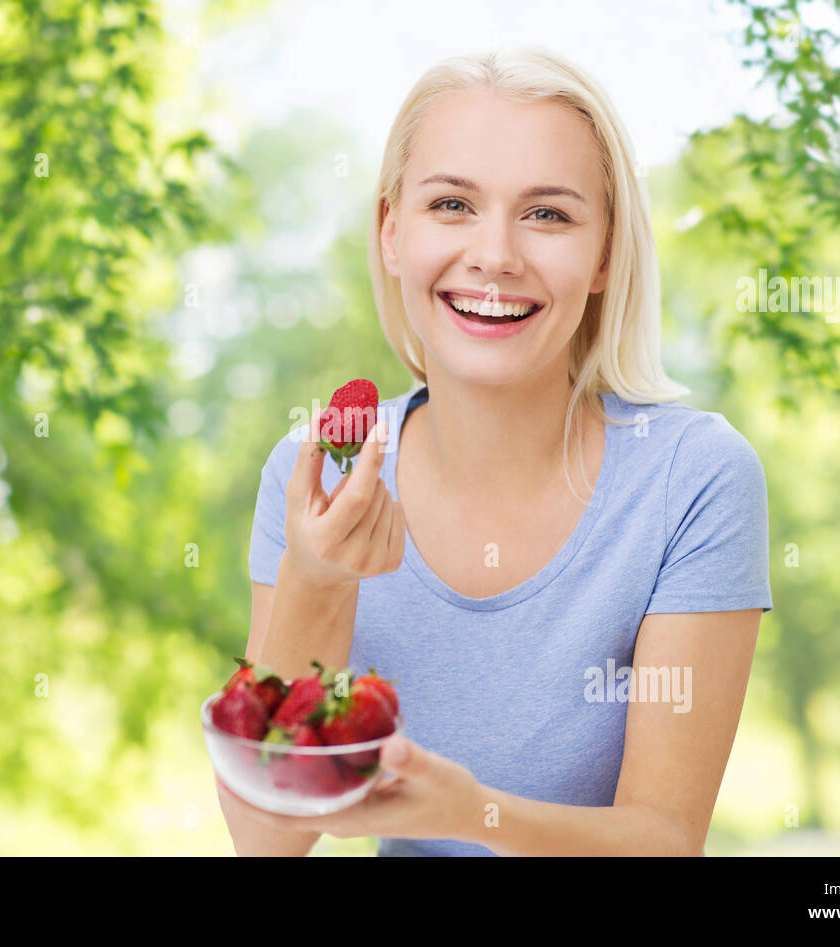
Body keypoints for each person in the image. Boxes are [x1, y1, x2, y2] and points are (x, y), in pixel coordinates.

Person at [216, 45, 773, 856]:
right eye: (451, 204)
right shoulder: (316, 475)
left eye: (548, 214)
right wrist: (318, 576)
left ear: (606, 253)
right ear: (391, 231)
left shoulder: (693, 480)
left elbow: (663, 839)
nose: (496, 255)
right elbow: (267, 839)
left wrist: (468, 811)